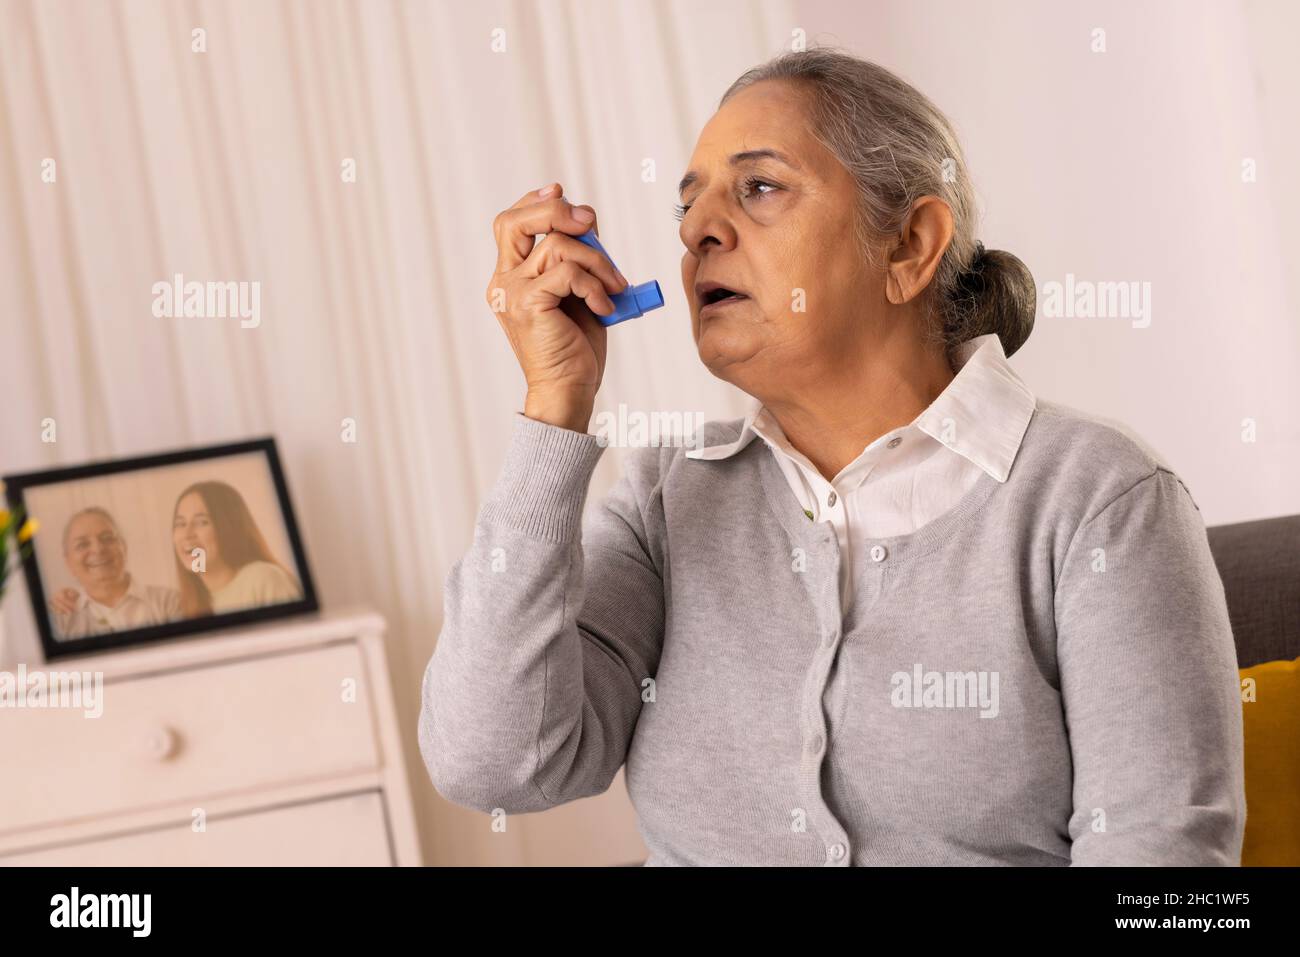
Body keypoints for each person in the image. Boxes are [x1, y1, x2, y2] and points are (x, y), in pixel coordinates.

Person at [418, 48, 1245, 866]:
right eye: (690, 204)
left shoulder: (1099, 499)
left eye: (761, 187)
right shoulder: (666, 497)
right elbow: (494, 762)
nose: (699, 229)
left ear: (910, 246)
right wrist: (555, 407)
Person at [171, 481, 302, 615]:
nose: (186, 535)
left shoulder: (264, 579)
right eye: (180, 524)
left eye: (201, 522)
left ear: (228, 527)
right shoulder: (186, 606)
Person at [52, 506, 181, 639]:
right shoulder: (60, 619)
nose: (98, 549)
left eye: (107, 538)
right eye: (82, 544)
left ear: (123, 547)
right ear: (68, 562)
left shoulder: (170, 603)